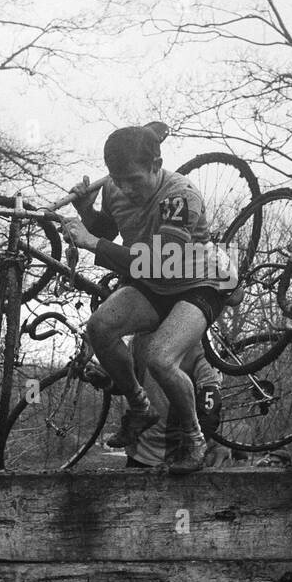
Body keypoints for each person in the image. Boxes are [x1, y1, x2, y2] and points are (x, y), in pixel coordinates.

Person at [63, 123, 240, 476]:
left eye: (134, 180)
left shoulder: (181, 196)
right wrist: (87, 213)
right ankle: (140, 408)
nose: (126, 189)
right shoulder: (115, 186)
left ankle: (193, 439)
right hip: (154, 282)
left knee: (160, 357)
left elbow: (158, 262)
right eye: (119, 180)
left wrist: (91, 244)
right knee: (100, 327)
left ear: (157, 165)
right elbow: (109, 229)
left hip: (197, 282)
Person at [125, 338, 228, 473]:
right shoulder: (137, 341)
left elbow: (210, 408)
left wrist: (190, 451)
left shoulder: (202, 348)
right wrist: (106, 383)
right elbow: (126, 386)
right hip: (138, 453)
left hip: (178, 457)